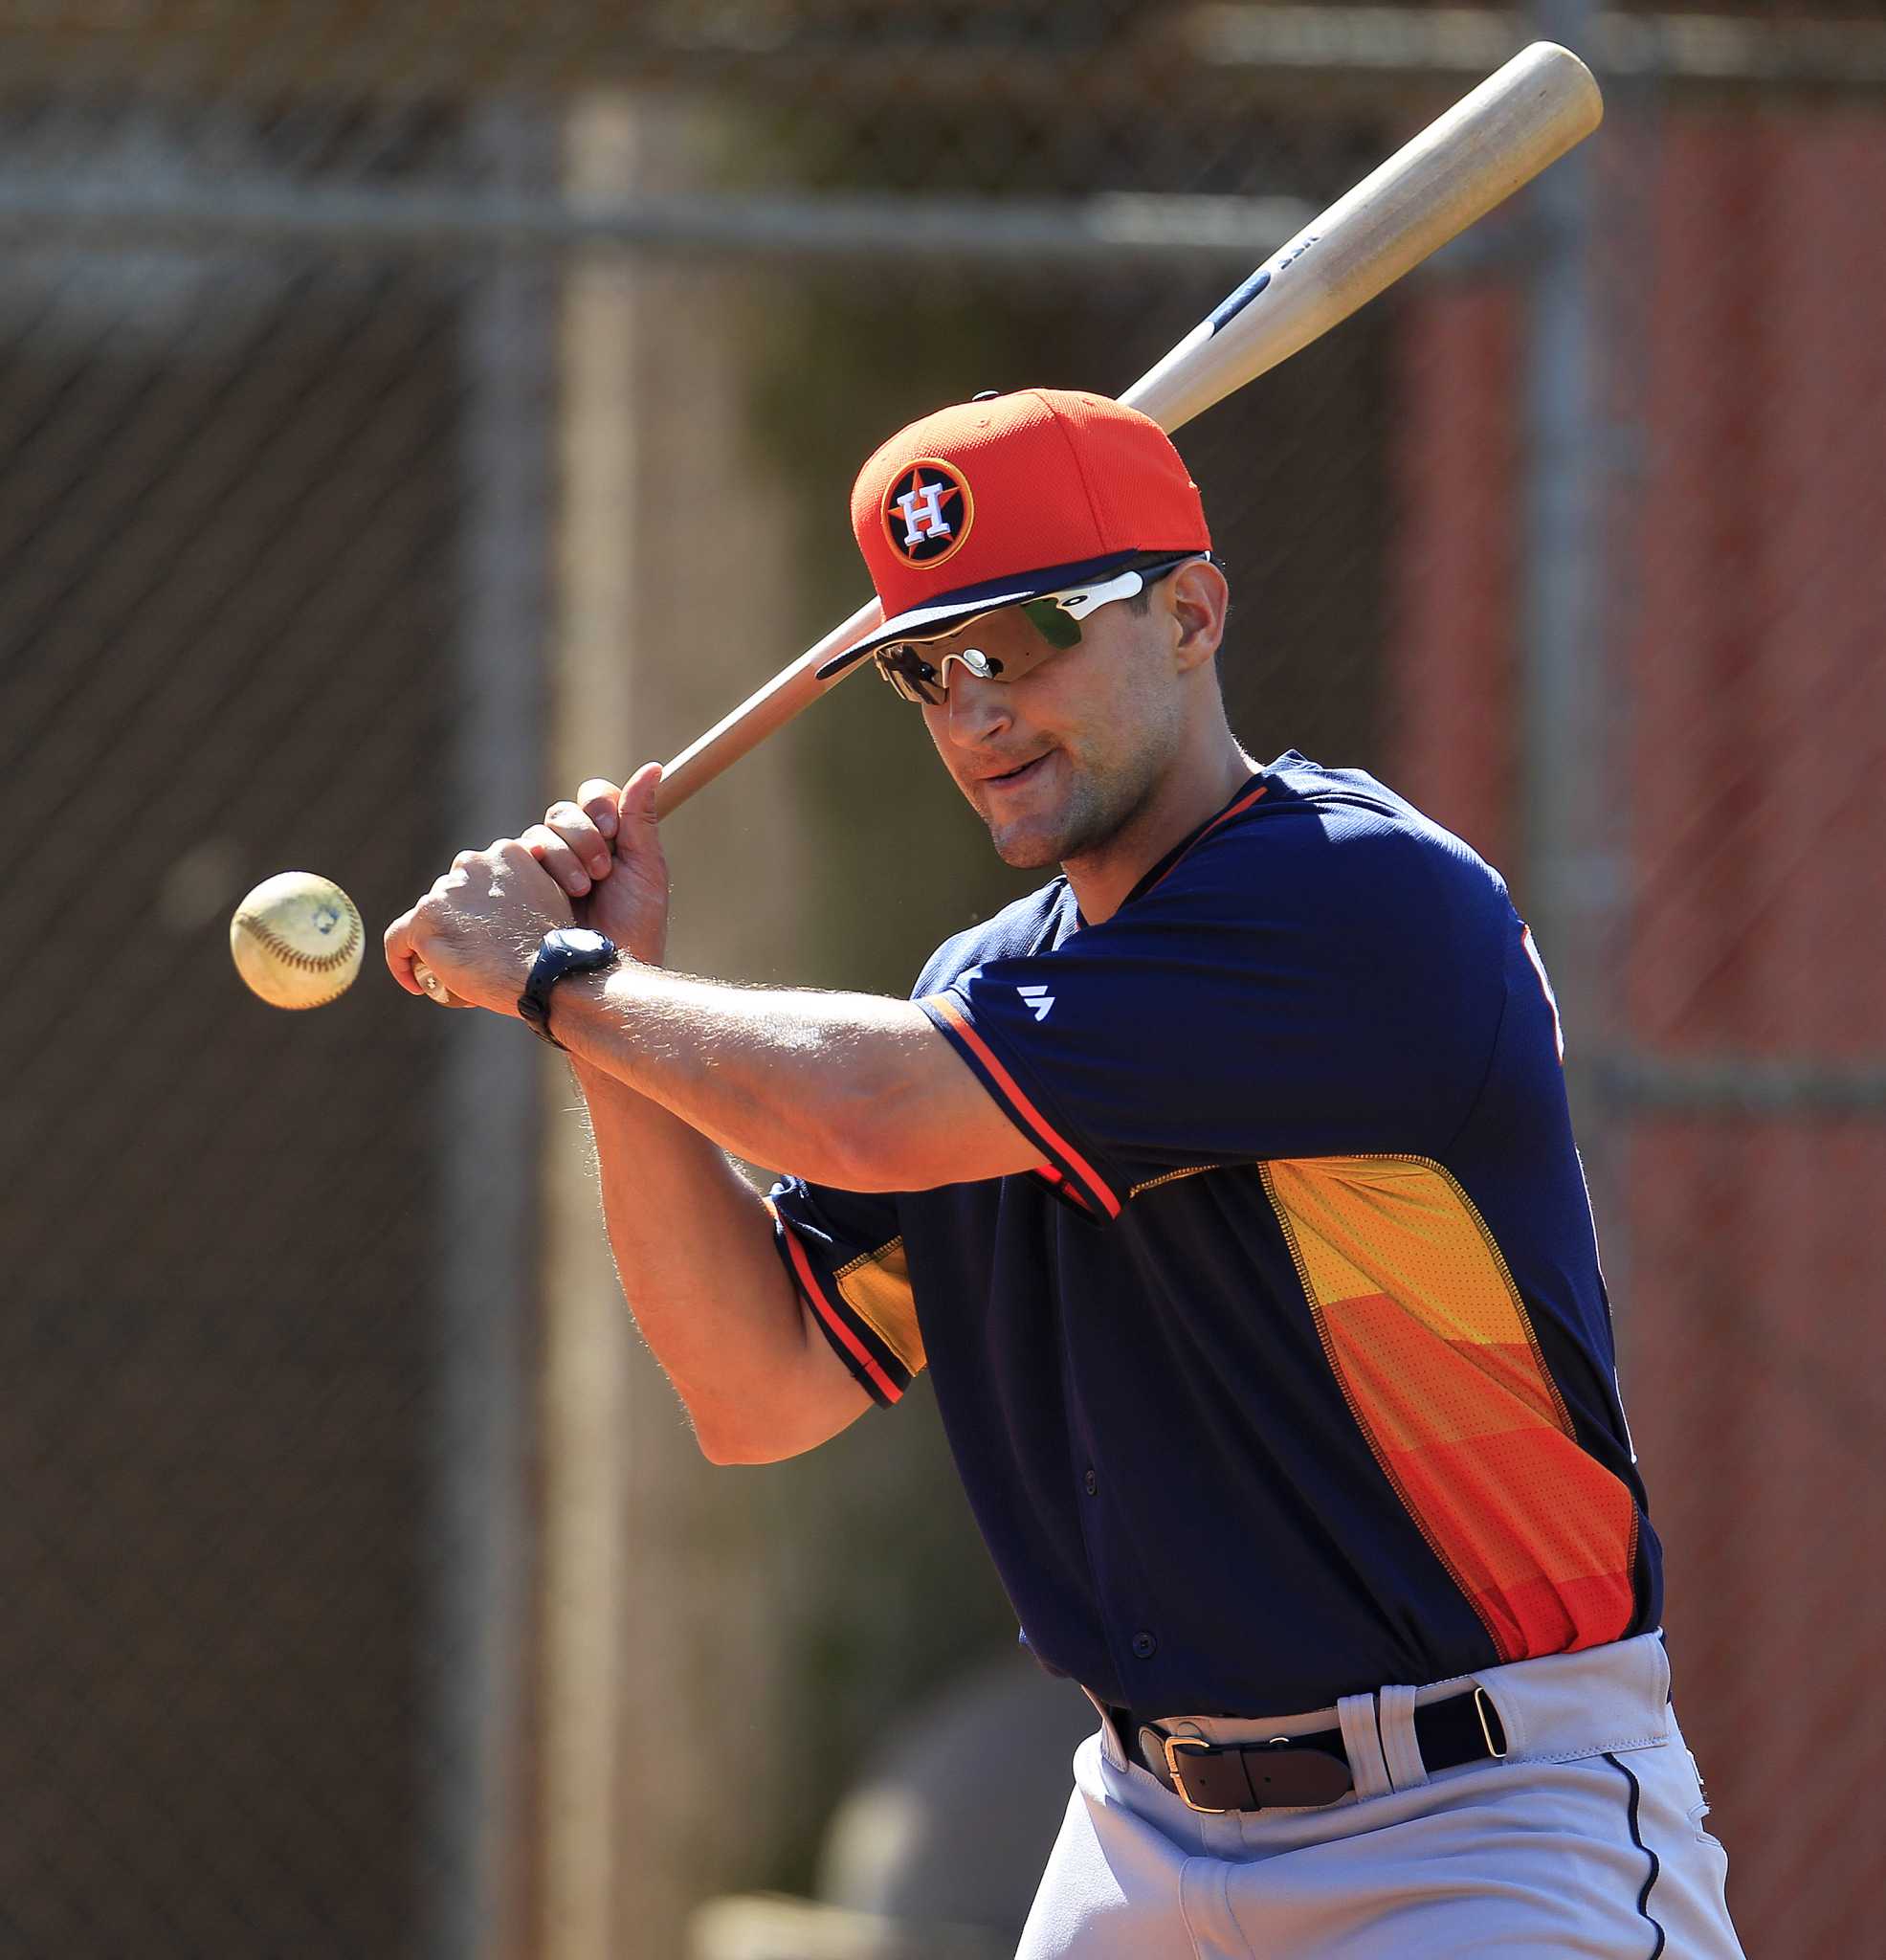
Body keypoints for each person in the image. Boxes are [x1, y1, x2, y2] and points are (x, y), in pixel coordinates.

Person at [386, 389, 1744, 1957]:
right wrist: (606, 1013)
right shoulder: (980, 997)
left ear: (1191, 613)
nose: (976, 711)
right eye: (926, 665)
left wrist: (557, 976)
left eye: (1023, 638)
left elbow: (870, 1113)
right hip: (1142, 1828)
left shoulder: (1356, 903)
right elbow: (755, 1387)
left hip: (1475, 1828)